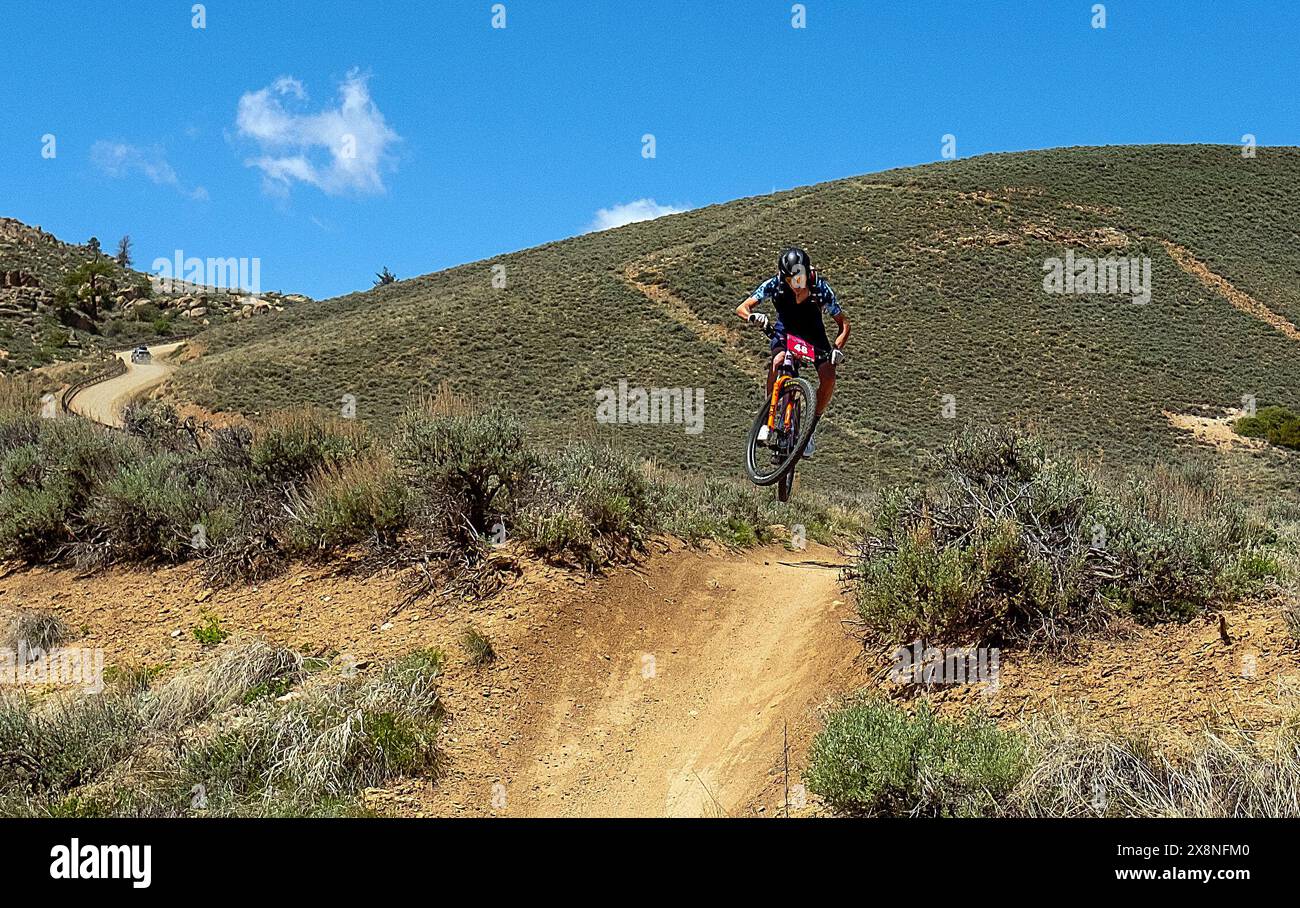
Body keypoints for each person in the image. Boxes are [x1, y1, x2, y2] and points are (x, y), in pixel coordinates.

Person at [734, 246, 848, 456]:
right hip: (785, 331)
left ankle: (809, 429)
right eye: (789, 280)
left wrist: (837, 348)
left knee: (829, 376)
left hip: (814, 335)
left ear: (807, 273)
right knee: (777, 362)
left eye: (799, 278)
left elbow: (844, 325)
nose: (795, 285)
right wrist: (753, 316)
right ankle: (768, 418)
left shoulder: (820, 288)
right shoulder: (774, 285)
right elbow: (743, 307)